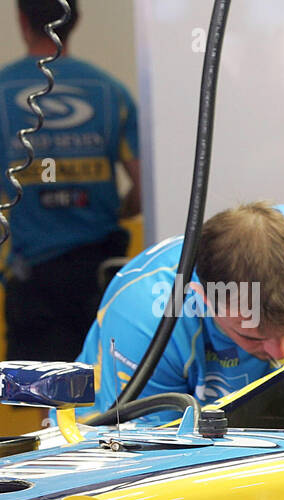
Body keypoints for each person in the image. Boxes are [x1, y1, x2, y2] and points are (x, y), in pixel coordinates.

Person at [78, 201, 284, 413]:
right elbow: (140, 461)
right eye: (252, 337)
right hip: (100, 443)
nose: (281, 351)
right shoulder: (147, 314)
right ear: (204, 298)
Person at [0, 0, 141, 361]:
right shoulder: (112, 92)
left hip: (33, 284)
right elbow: (145, 188)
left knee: (43, 403)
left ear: (21, 19)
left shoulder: (2, 91)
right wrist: (118, 209)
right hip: (102, 279)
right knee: (105, 396)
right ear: (73, 21)